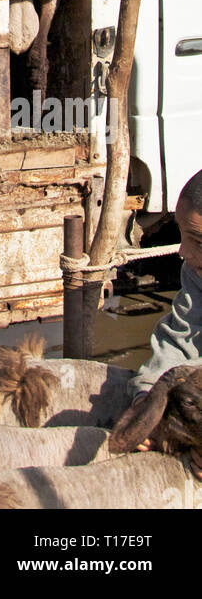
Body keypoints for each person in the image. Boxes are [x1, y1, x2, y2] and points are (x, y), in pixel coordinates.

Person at [129, 169, 202, 475]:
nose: (183, 252)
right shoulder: (197, 271)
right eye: (182, 235)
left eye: (198, 241)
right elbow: (179, 342)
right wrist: (148, 400)